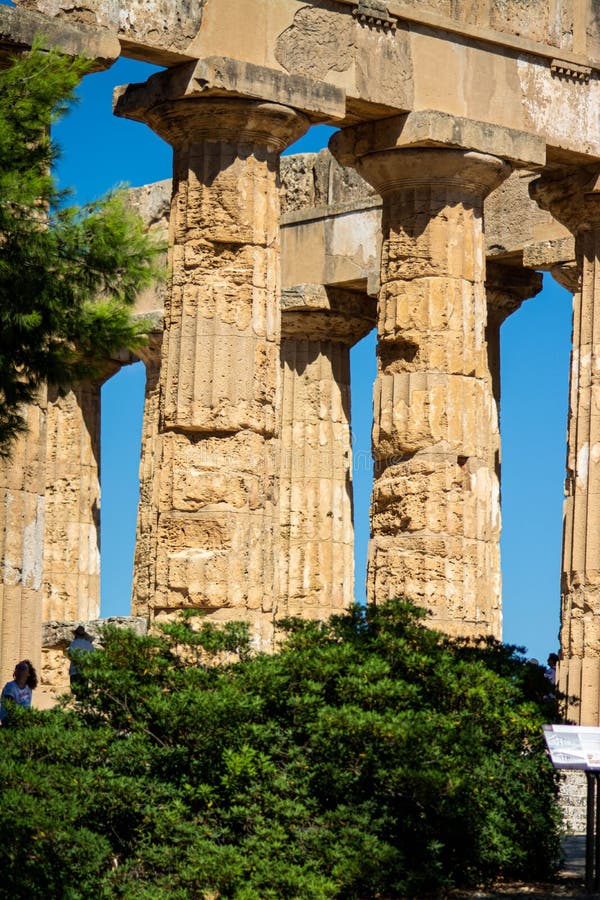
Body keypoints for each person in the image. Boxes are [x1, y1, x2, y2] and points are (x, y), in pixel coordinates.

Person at [0, 659, 38, 725]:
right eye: (17, 667)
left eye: (23, 668)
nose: (20, 670)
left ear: (28, 673)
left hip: (23, 719)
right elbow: (11, 707)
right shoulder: (10, 686)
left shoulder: (28, 688)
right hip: (9, 720)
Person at [68, 625, 94, 692]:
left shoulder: (73, 643)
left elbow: (70, 655)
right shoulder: (90, 645)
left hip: (74, 671)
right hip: (85, 671)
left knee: (75, 691)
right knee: (84, 691)